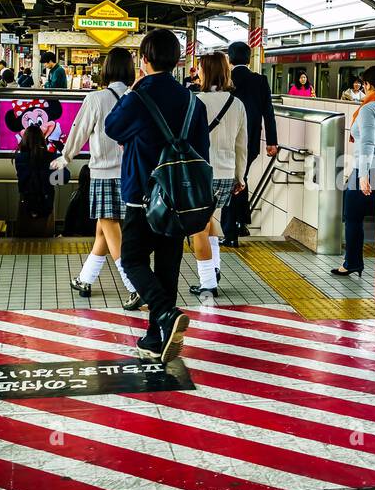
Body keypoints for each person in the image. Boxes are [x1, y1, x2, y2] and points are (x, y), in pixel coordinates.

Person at [105, 29, 211, 363]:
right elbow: (202, 152)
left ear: (144, 59)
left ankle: (165, 313)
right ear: (177, 59)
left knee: (133, 260)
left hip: (141, 195)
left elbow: (112, 127)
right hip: (179, 201)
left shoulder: (139, 96)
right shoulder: (194, 101)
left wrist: (132, 91)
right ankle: (155, 336)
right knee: (167, 267)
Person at [54, 45, 141, 309]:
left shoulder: (96, 99)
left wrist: (65, 157)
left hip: (103, 173)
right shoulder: (136, 98)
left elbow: (79, 131)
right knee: (102, 230)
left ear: (106, 70)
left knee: (109, 225)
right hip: (131, 173)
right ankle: (85, 278)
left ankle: (134, 286)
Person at [331, 65, 375, 278]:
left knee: (352, 216)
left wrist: (362, 175)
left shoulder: (370, 108)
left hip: (369, 168)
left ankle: (352, 263)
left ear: (368, 85)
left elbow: (367, 143)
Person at [190, 51, 248, 303]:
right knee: (210, 219)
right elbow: (241, 145)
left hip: (200, 172)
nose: (198, 73)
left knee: (197, 228)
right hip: (225, 173)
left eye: (201, 69)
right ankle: (213, 267)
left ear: (207, 72)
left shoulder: (195, 101)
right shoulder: (237, 104)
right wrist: (240, 176)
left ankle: (207, 282)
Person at [221, 41, 278, 247]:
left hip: (228, 140)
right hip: (251, 140)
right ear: (249, 58)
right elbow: (268, 113)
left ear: (229, 58)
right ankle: (241, 222)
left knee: (233, 181)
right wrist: (272, 141)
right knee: (241, 177)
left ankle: (230, 233)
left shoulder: (225, 79)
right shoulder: (260, 80)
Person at [13, 123, 56, 237]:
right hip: (46, 200)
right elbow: (64, 178)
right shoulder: (51, 157)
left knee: (25, 235)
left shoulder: (19, 158)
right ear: (42, 139)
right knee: (46, 236)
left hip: (26, 201)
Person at [61, 164, 94, 238]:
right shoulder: (98, 196)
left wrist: (65, 233)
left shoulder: (77, 195)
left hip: (77, 233)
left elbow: (69, 216)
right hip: (93, 233)